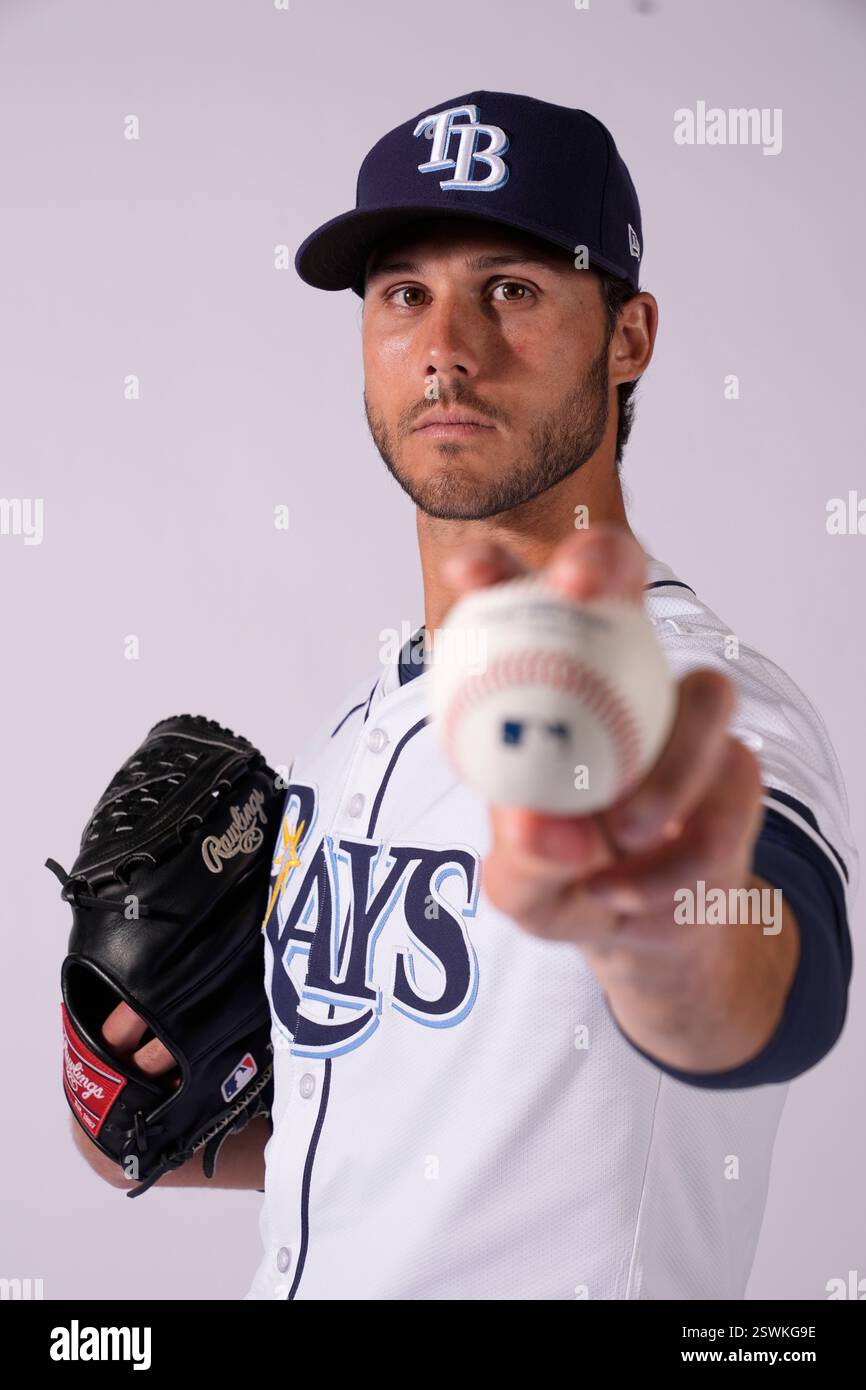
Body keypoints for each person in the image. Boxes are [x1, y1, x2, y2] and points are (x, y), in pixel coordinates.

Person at [80, 91, 857, 1301]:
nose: (446, 344)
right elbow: (378, 1145)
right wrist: (146, 1111)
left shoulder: (695, 698)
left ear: (627, 336)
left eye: (510, 289)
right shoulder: (351, 735)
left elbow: (775, 979)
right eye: (403, 293)